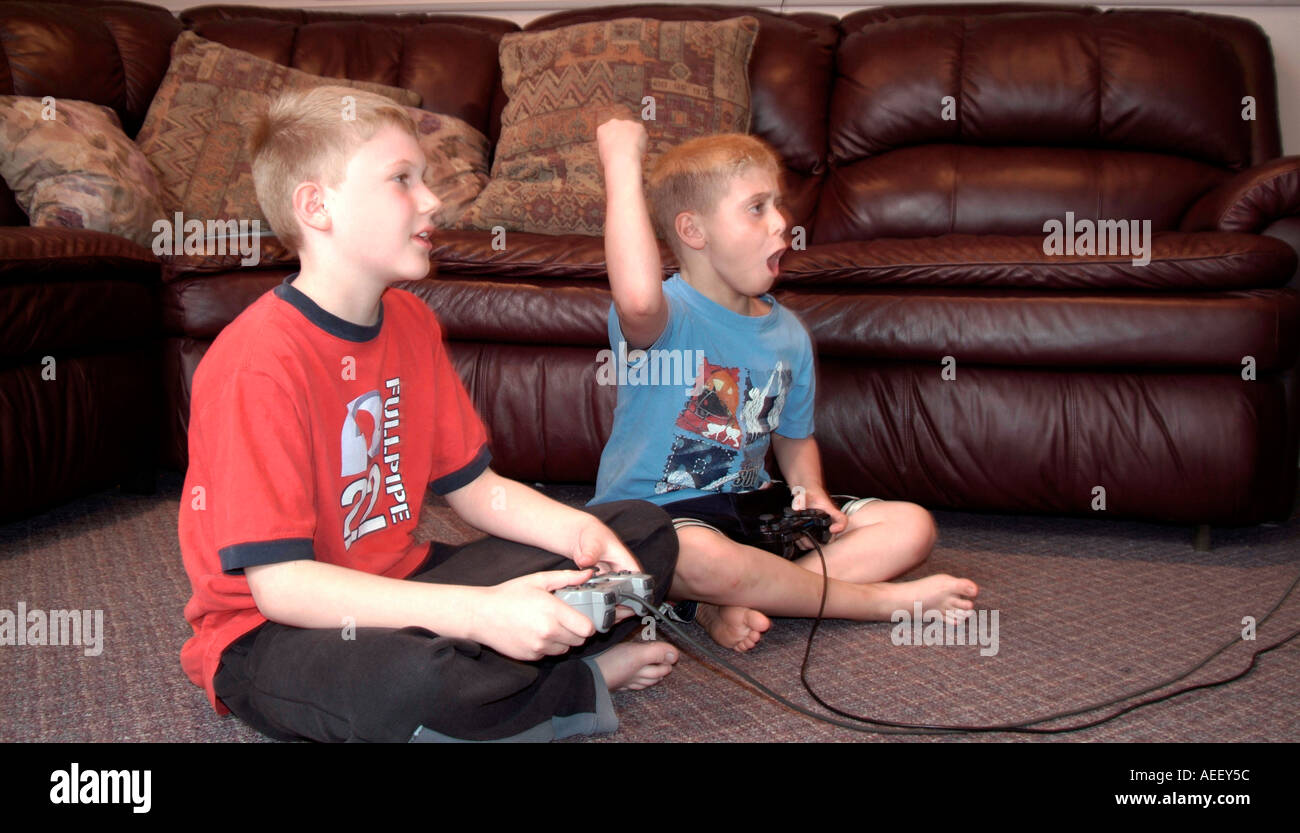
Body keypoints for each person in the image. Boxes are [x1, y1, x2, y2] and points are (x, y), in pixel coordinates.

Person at [178, 87, 678, 743]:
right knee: (410, 683)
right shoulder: (257, 360)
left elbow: (477, 491)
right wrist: (473, 614)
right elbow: (281, 587)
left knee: (642, 531)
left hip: (409, 583)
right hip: (276, 633)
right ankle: (573, 680)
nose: (432, 199)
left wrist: (579, 536)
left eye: (426, 179)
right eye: (401, 180)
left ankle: (511, 666)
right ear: (316, 206)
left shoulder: (412, 321)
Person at [591, 117, 978, 652]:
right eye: (757, 208)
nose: (782, 223)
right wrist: (621, 162)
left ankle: (730, 598)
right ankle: (875, 602)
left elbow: (793, 437)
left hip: (754, 508)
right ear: (693, 231)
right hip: (660, 520)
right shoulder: (666, 317)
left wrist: (812, 490)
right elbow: (634, 296)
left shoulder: (788, 333)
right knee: (703, 559)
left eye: (778, 205)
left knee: (911, 527)